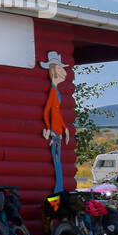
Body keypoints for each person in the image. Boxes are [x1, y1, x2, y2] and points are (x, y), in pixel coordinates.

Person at [39, 51, 70, 194]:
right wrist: (48, 128)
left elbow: (57, 114)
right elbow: (47, 112)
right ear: (53, 71)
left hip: (58, 131)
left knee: (58, 161)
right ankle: (58, 189)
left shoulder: (56, 91)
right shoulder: (53, 91)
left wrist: (65, 128)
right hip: (54, 133)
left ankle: (60, 189)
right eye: (59, 69)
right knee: (57, 161)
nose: (63, 72)